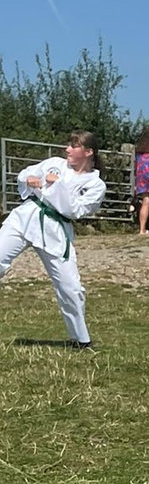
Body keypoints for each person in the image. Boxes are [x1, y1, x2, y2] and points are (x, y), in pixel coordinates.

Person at [0, 132, 106, 347]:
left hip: (55, 230)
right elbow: (25, 174)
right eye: (68, 145)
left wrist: (58, 185)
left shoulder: (95, 184)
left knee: (70, 286)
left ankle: (81, 339)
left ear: (88, 152)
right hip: (26, 216)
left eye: (74, 146)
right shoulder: (54, 163)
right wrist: (28, 180)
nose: (67, 149)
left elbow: (74, 210)